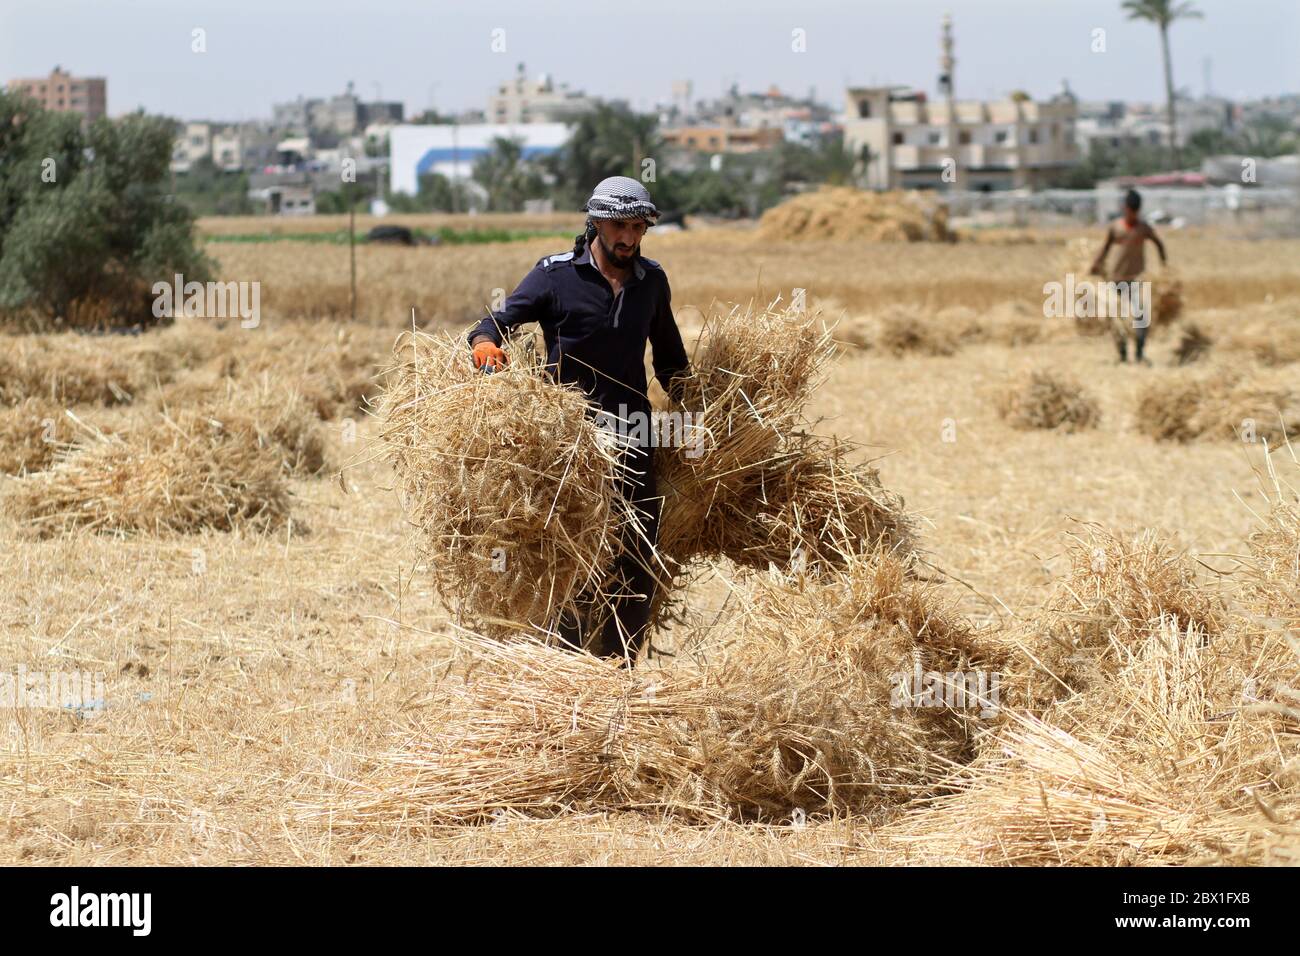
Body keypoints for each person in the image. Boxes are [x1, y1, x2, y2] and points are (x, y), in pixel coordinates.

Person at [466, 176, 691, 663]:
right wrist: (486, 346)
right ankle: (566, 670)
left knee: (635, 560)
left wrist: (701, 414)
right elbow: (492, 324)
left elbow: (672, 364)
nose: (628, 238)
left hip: (634, 437)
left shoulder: (652, 282)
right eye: (618, 226)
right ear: (595, 222)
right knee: (570, 560)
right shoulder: (554, 276)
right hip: (570, 443)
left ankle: (618, 671)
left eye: (637, 227)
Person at [1090, 188, 1168, 365]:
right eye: (1129, 210)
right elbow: (1105, 248)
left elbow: (1159, 245)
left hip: (1136, 280)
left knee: (1141, 317)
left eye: (1135, 211)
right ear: (1125, 208)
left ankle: (1139, 354)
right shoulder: (1116, 227)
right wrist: (1096, 264)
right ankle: (1123, 355)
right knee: (1118, 319)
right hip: (1115, 279)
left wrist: (1164, 267)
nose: (1132, 214)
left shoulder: (1143, 229)